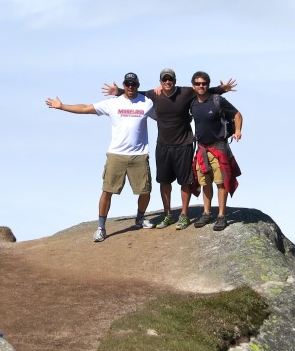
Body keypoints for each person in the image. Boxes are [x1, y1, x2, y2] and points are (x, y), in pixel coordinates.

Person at [103, 69, 235, 230]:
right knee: (164, 181)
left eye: (170, 79)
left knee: (185, 181)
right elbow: (137, 92)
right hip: (163, 145)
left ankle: (184, 216)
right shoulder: (154, 94)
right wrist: (119, 92)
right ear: (160, 81)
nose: (167, 82)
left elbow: (204, 89)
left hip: (184, 144)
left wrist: (222, 89)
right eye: (164, 80)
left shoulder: (185, 92)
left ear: (174, 80)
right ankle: (168, 215)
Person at [46, 72, 155, 243]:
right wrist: (62, 106)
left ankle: (140, 219)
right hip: (116, 154)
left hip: (139, 155)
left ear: (138, 85)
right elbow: (85, 108)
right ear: (124, 85)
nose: (131, 87)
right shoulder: (113, 103)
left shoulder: (146, 102)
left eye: (134, 84)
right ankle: (101, 228)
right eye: (128, 84)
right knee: (107, 191)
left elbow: (166, 113)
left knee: (145, 191)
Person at [188, 71, 242, 232]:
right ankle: (206, 213)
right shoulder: (192, 102)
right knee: (205, 182)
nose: (201, 86)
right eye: (197, 84)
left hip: (219, 147)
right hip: (202, 148)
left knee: (221, 182)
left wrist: (237, 130)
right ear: (193, 86)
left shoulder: (218, 100)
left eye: (204, 83)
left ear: (208, 85)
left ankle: (221, 216)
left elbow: (237, 114)